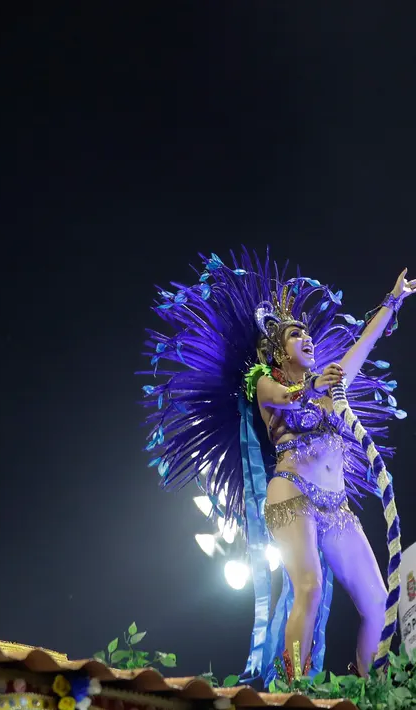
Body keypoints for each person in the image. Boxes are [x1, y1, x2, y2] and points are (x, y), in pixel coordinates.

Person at [141, 251, 411, 683]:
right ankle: (293, 685)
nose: (308, 339)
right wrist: (311, 385)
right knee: (309, 586)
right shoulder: (265, 381)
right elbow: (286, 399)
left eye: (308, 333)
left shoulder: (328, 388)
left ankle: (369, 688)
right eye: (296, 335)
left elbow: (363, 347)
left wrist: (393, 301)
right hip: (292, 496)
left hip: (336, 507)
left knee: (379, 602)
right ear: (278, 351)